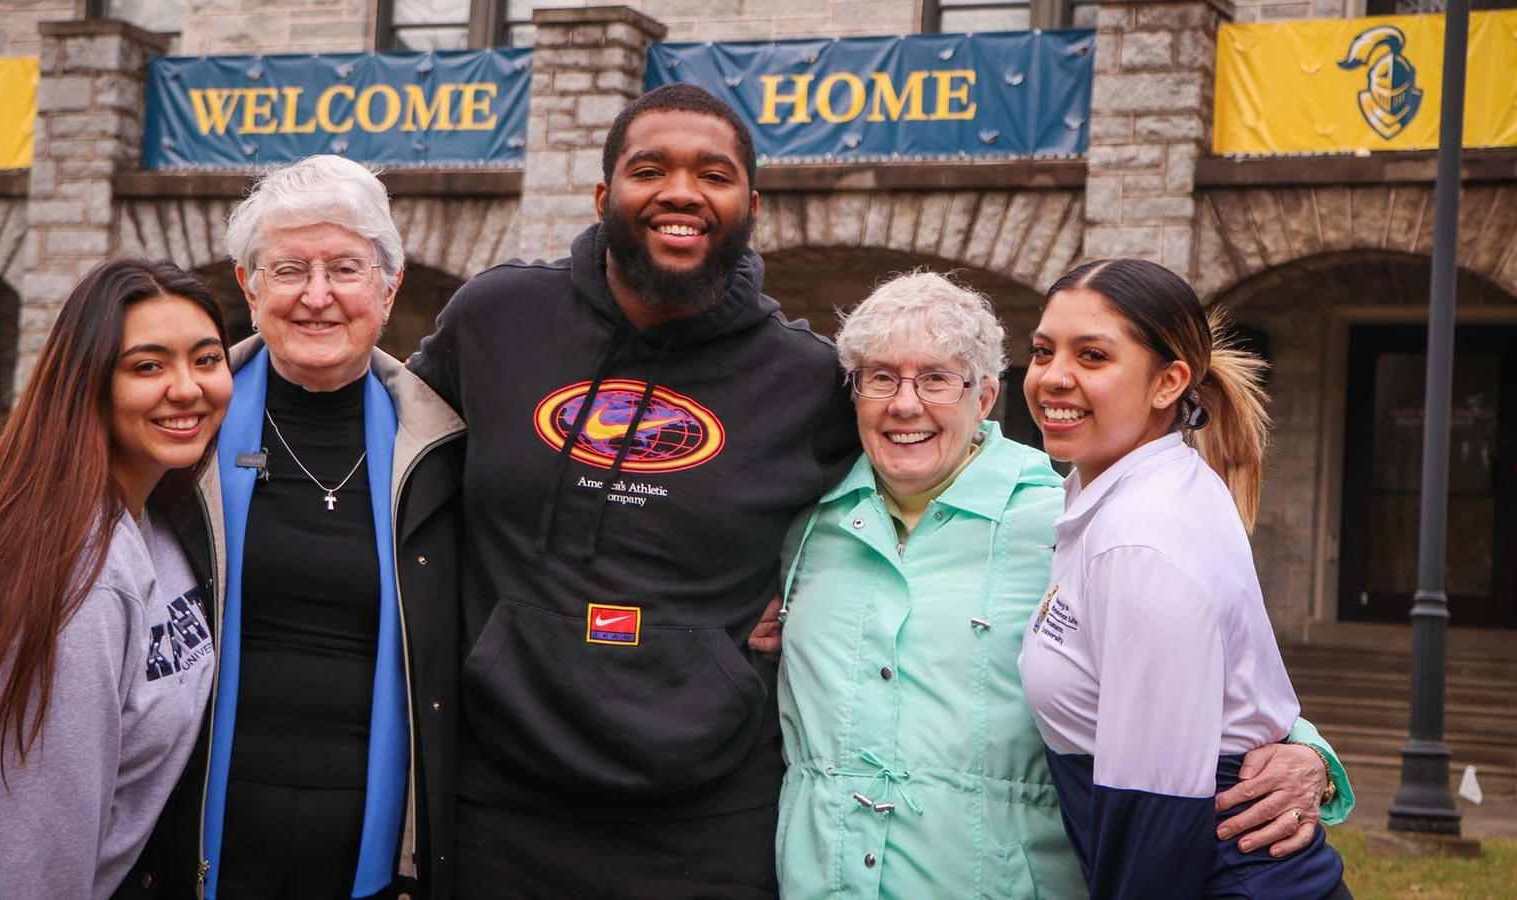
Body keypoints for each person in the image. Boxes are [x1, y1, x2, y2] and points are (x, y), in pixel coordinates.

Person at [409, 82, 860, 897]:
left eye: (713, 175)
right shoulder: (495, 319)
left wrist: (816, 599)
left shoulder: (809, 379)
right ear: (603, 195)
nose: (681, 192)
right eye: (650, 169)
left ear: (751, 204)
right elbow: (391, 454)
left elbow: (896, 517)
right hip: (500, 800)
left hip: (709, 817)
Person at [773, 271, 1352, 899]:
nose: (905, 403)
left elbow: (1211, 668)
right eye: (879, 377)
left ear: (987, 395)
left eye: (937, 378)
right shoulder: (800, 523)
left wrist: (1311, 759)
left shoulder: (1065, 519)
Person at [127, 155, 465, 899]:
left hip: (376, 847)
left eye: (345, 267)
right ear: (249, 287)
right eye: (288, 270)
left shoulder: (446, 448)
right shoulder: (179, 435)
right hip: (185, 829)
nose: (318, 296)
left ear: (389, 285)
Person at [1018, 258, 1352, 898]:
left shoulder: (1141, 538)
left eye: (1092, 356)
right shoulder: (1129, 491)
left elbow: (1155, 812)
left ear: (1168, 381)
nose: (1053, 377)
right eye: (1042, 351)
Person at [0, 258, 228, 899]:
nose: (187, 388)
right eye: (148, 366)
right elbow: (40, 850)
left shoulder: (155, 526)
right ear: (88, 385)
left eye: (206, 359)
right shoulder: (73, 574)